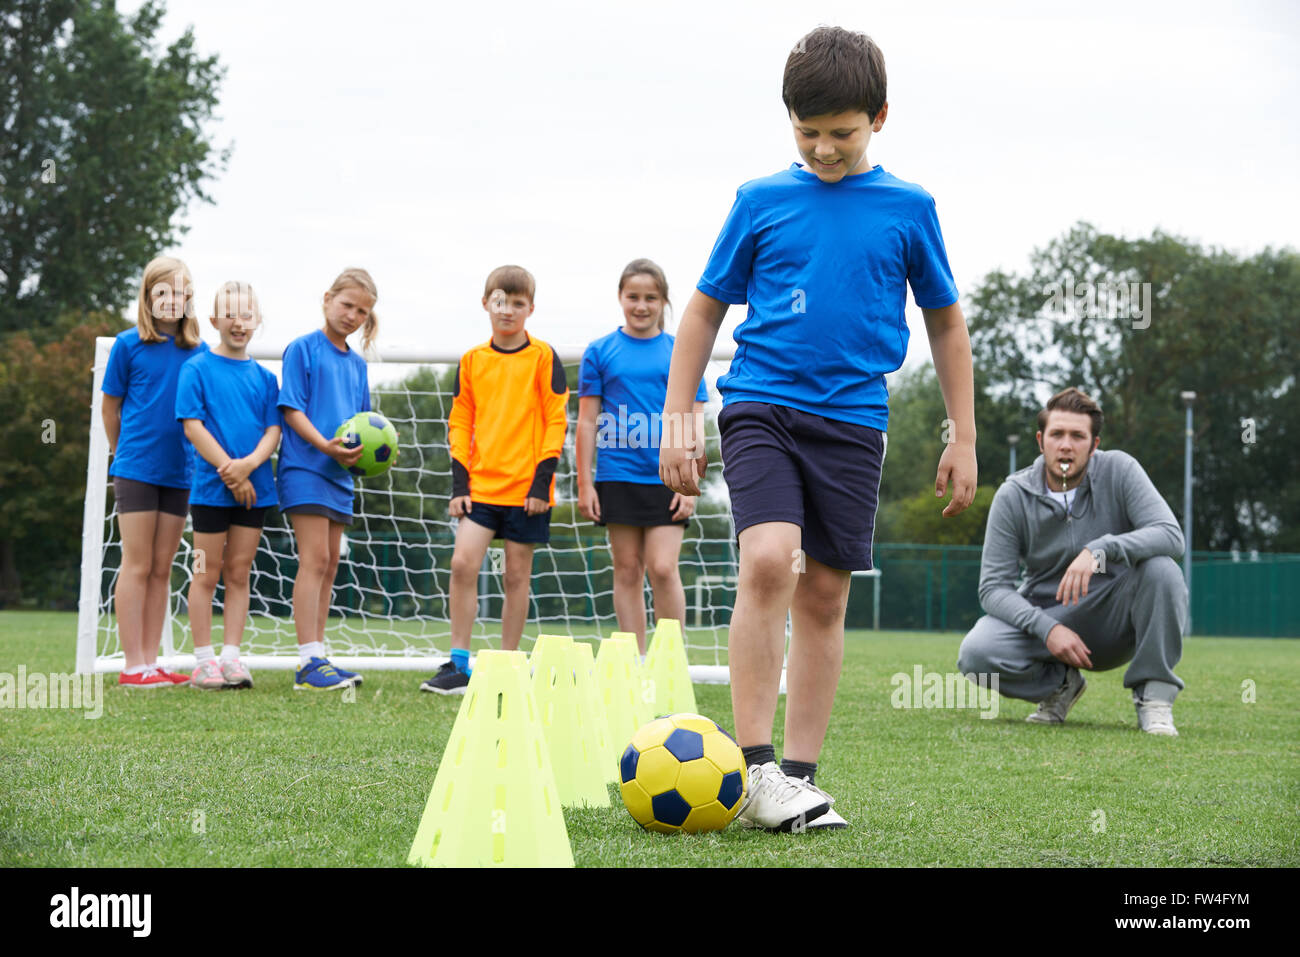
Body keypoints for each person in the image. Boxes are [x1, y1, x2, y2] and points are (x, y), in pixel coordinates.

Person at [660, 26, 976, 831]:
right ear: (788, 123)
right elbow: (701, 310)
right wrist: (679, 414)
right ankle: (755, 766)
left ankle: (797, 776)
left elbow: (945, 323)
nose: (826, 148)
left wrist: (962, 433)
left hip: (854, 422)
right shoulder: (761, 201)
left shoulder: (910, 209)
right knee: (769, 558)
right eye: (809, 134)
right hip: (761, 403)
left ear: (879, 117)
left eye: (842, 132)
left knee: (826, 594)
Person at [957, 388, 1187, 735]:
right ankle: (1059, 686)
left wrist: (1101, 549)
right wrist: (1046, 628)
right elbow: (993, 588)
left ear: (1094, 445)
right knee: (976, 655)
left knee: (1163, 569)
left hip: (1114, 617)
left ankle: (1154, 697)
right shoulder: (1013, 494)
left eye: (1078, 436)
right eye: (1057, 434)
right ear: (1041, 440)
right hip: (1049, 615)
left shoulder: (1120, 470)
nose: (1066, 445)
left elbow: (1171, 536)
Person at [420, 265, 569, 695]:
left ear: (531, 309)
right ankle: (458, 664)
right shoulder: (472, 361)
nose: (508, 310)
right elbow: (460, 421)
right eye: (500, 301)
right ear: (486, 303)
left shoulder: (543, 356)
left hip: (528, 491)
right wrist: (459, 485)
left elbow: (555, 420)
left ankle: (507, 664)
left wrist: (542, 483)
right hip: (481, 488)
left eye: (518, 303)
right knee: (463, 564)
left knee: (515, 577)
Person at [576, 259, 708, 657]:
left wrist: (692, 482)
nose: (641, 305)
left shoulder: (680, 350)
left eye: (650, 298)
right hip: (617, 475)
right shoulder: (600, 352)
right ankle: (633, 662)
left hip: (668, 477)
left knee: (663, 568)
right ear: (620, 297)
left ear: (663, 301)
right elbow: (585, 422)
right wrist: (585, 484)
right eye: (633, 296)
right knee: (627, 570)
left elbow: (695, 416)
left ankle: (670, 660)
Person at [102, 256, 210, 688]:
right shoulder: (128, 346)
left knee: (163, 568)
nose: (171, 300)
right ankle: (132, 666)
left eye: (179, 292)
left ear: (189, 299)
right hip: (136, 470)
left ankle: (152, 661)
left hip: (180, 473)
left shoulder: (199, 353)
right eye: (161, 292)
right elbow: (111, 407)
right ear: (148, 298)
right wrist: (119, 453)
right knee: (137, 563)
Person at [176, 282, 281, 690]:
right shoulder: (197, 369)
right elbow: (192, 425)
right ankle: (203, 662)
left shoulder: (265, 378)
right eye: (231, 314)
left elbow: (274, 430)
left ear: (257, 320)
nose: (239, 322)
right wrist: (228, 470)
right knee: (205, 571)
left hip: (255, 489)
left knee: (239, 572)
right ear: (215, 320)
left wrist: (250, 466)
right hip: (210, 490)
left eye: (247, 314)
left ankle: (232, 659)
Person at [277, 268, 378, 691]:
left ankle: (318, 654)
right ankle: (306, 662)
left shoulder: (357, 364)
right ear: (326, 299)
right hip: (305, 468)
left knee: (331, 564)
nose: (352, 315)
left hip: (339, 476)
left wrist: (362, 457)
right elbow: (290, 409)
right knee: (314, 560)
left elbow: (364, 423)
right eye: (347, 305)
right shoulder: (302, 349)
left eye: (362, 311)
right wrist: (323, 445)